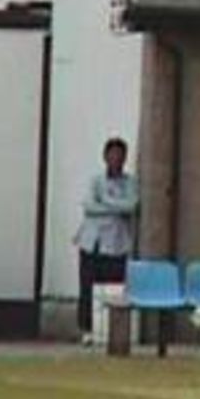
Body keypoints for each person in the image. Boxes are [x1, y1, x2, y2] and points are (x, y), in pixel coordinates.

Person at [72, 136, 139, 345]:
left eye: (120, 156)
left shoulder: (130, 182)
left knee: (115, 286)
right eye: (112, 156)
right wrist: (114, 208)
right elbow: (89, 207)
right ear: (105, 157)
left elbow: (131, 206)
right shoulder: (96, 181)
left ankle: (111, 331)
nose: (116, 160)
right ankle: (86, 330)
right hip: (92, 242)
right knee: (87, 286)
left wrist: (106, 202)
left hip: (117, 244)